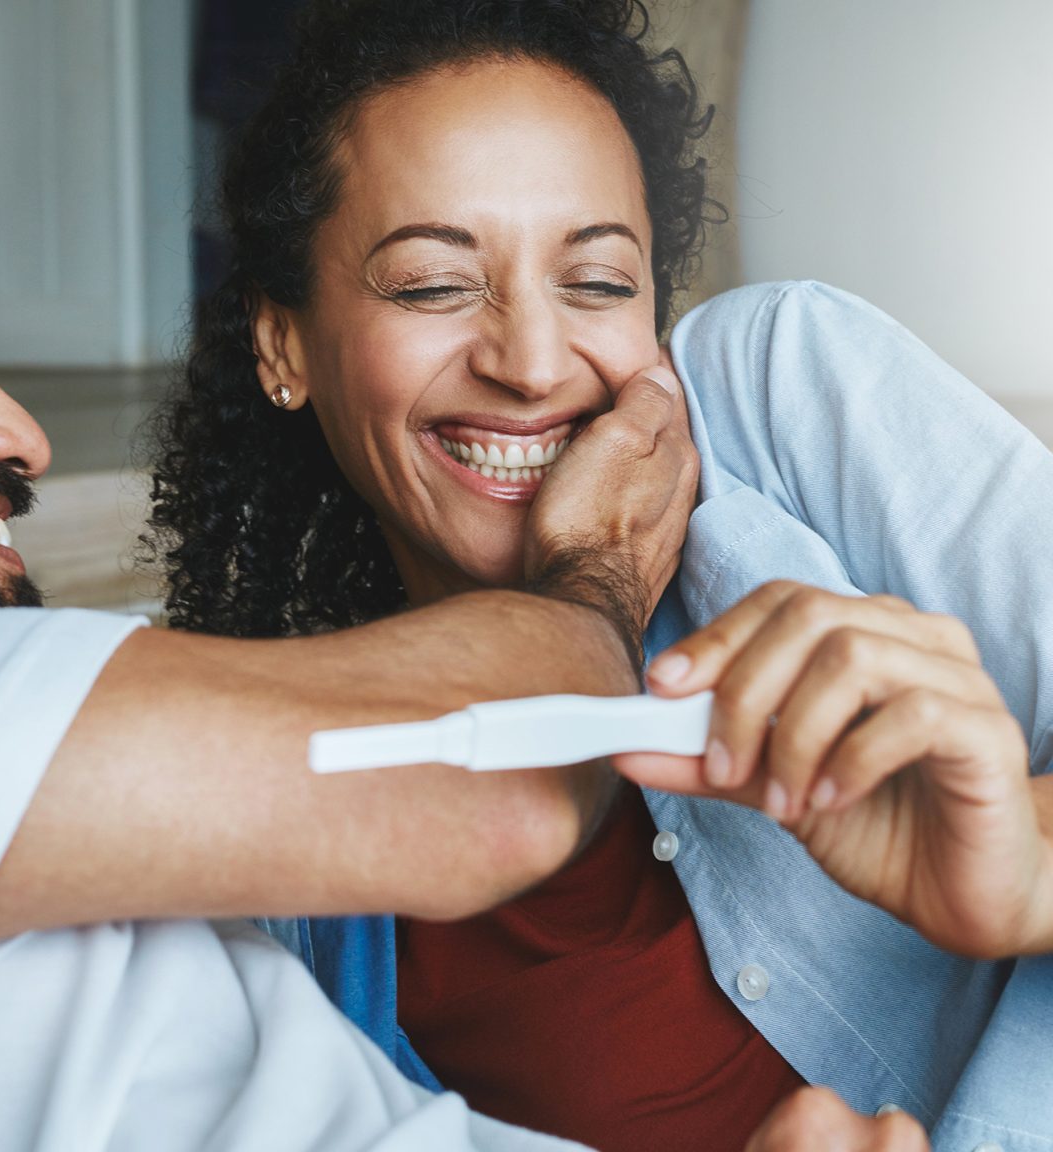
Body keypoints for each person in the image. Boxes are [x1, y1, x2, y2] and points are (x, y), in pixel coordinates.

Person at [142, 2, 1053, 1151]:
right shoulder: (299, 847)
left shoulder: (779, 397)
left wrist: (1025, 867)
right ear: (284, 346)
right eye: (431, 284)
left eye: (599, 283)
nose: (530, 364)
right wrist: (590, 586)